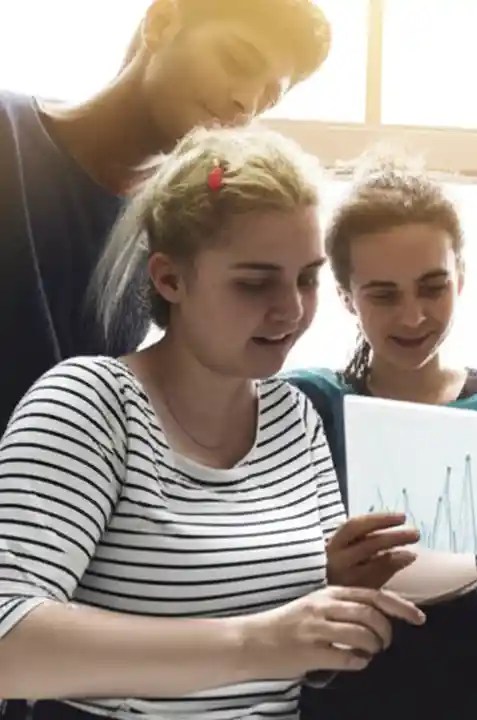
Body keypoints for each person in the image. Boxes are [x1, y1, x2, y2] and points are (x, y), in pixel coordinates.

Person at [0, 125, 425, 719]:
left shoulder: (293, 418)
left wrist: (342, 604)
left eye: (307, 277)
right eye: (255, 282)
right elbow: (8, 643)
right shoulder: (92, 404)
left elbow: (302, 651)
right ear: (169, 278)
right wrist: (259, 642)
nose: (293, 309)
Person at [284, 156, 477, 720]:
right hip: (352, 681)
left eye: (433, 287)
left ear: (461, 279)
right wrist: (323, 570)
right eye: (383, 295)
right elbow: (255, 569)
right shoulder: (310, 401)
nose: (413, 315)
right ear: (348, 297)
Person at [0, 0, 332, 425]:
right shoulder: (8, 134)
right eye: (236, 60)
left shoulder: (172, 226)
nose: (245, 102)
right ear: (161, 23)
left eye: (268, 98)